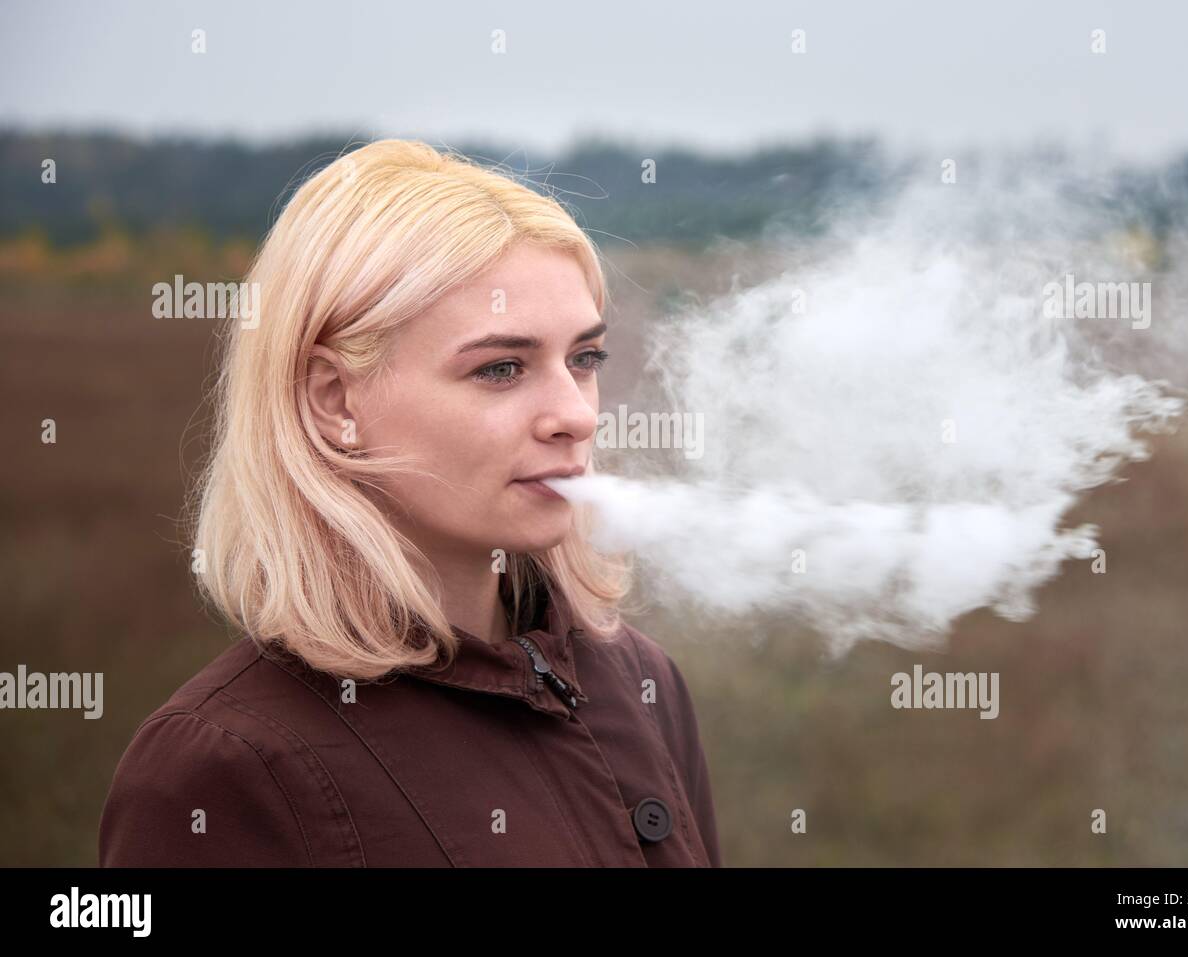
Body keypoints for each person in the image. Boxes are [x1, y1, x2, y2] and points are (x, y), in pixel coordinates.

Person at [98, 140, 722, 867]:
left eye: (584, 359)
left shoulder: (640, 682)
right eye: (501, 368)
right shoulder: (223, 767)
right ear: (335, 399)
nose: (575, 414)